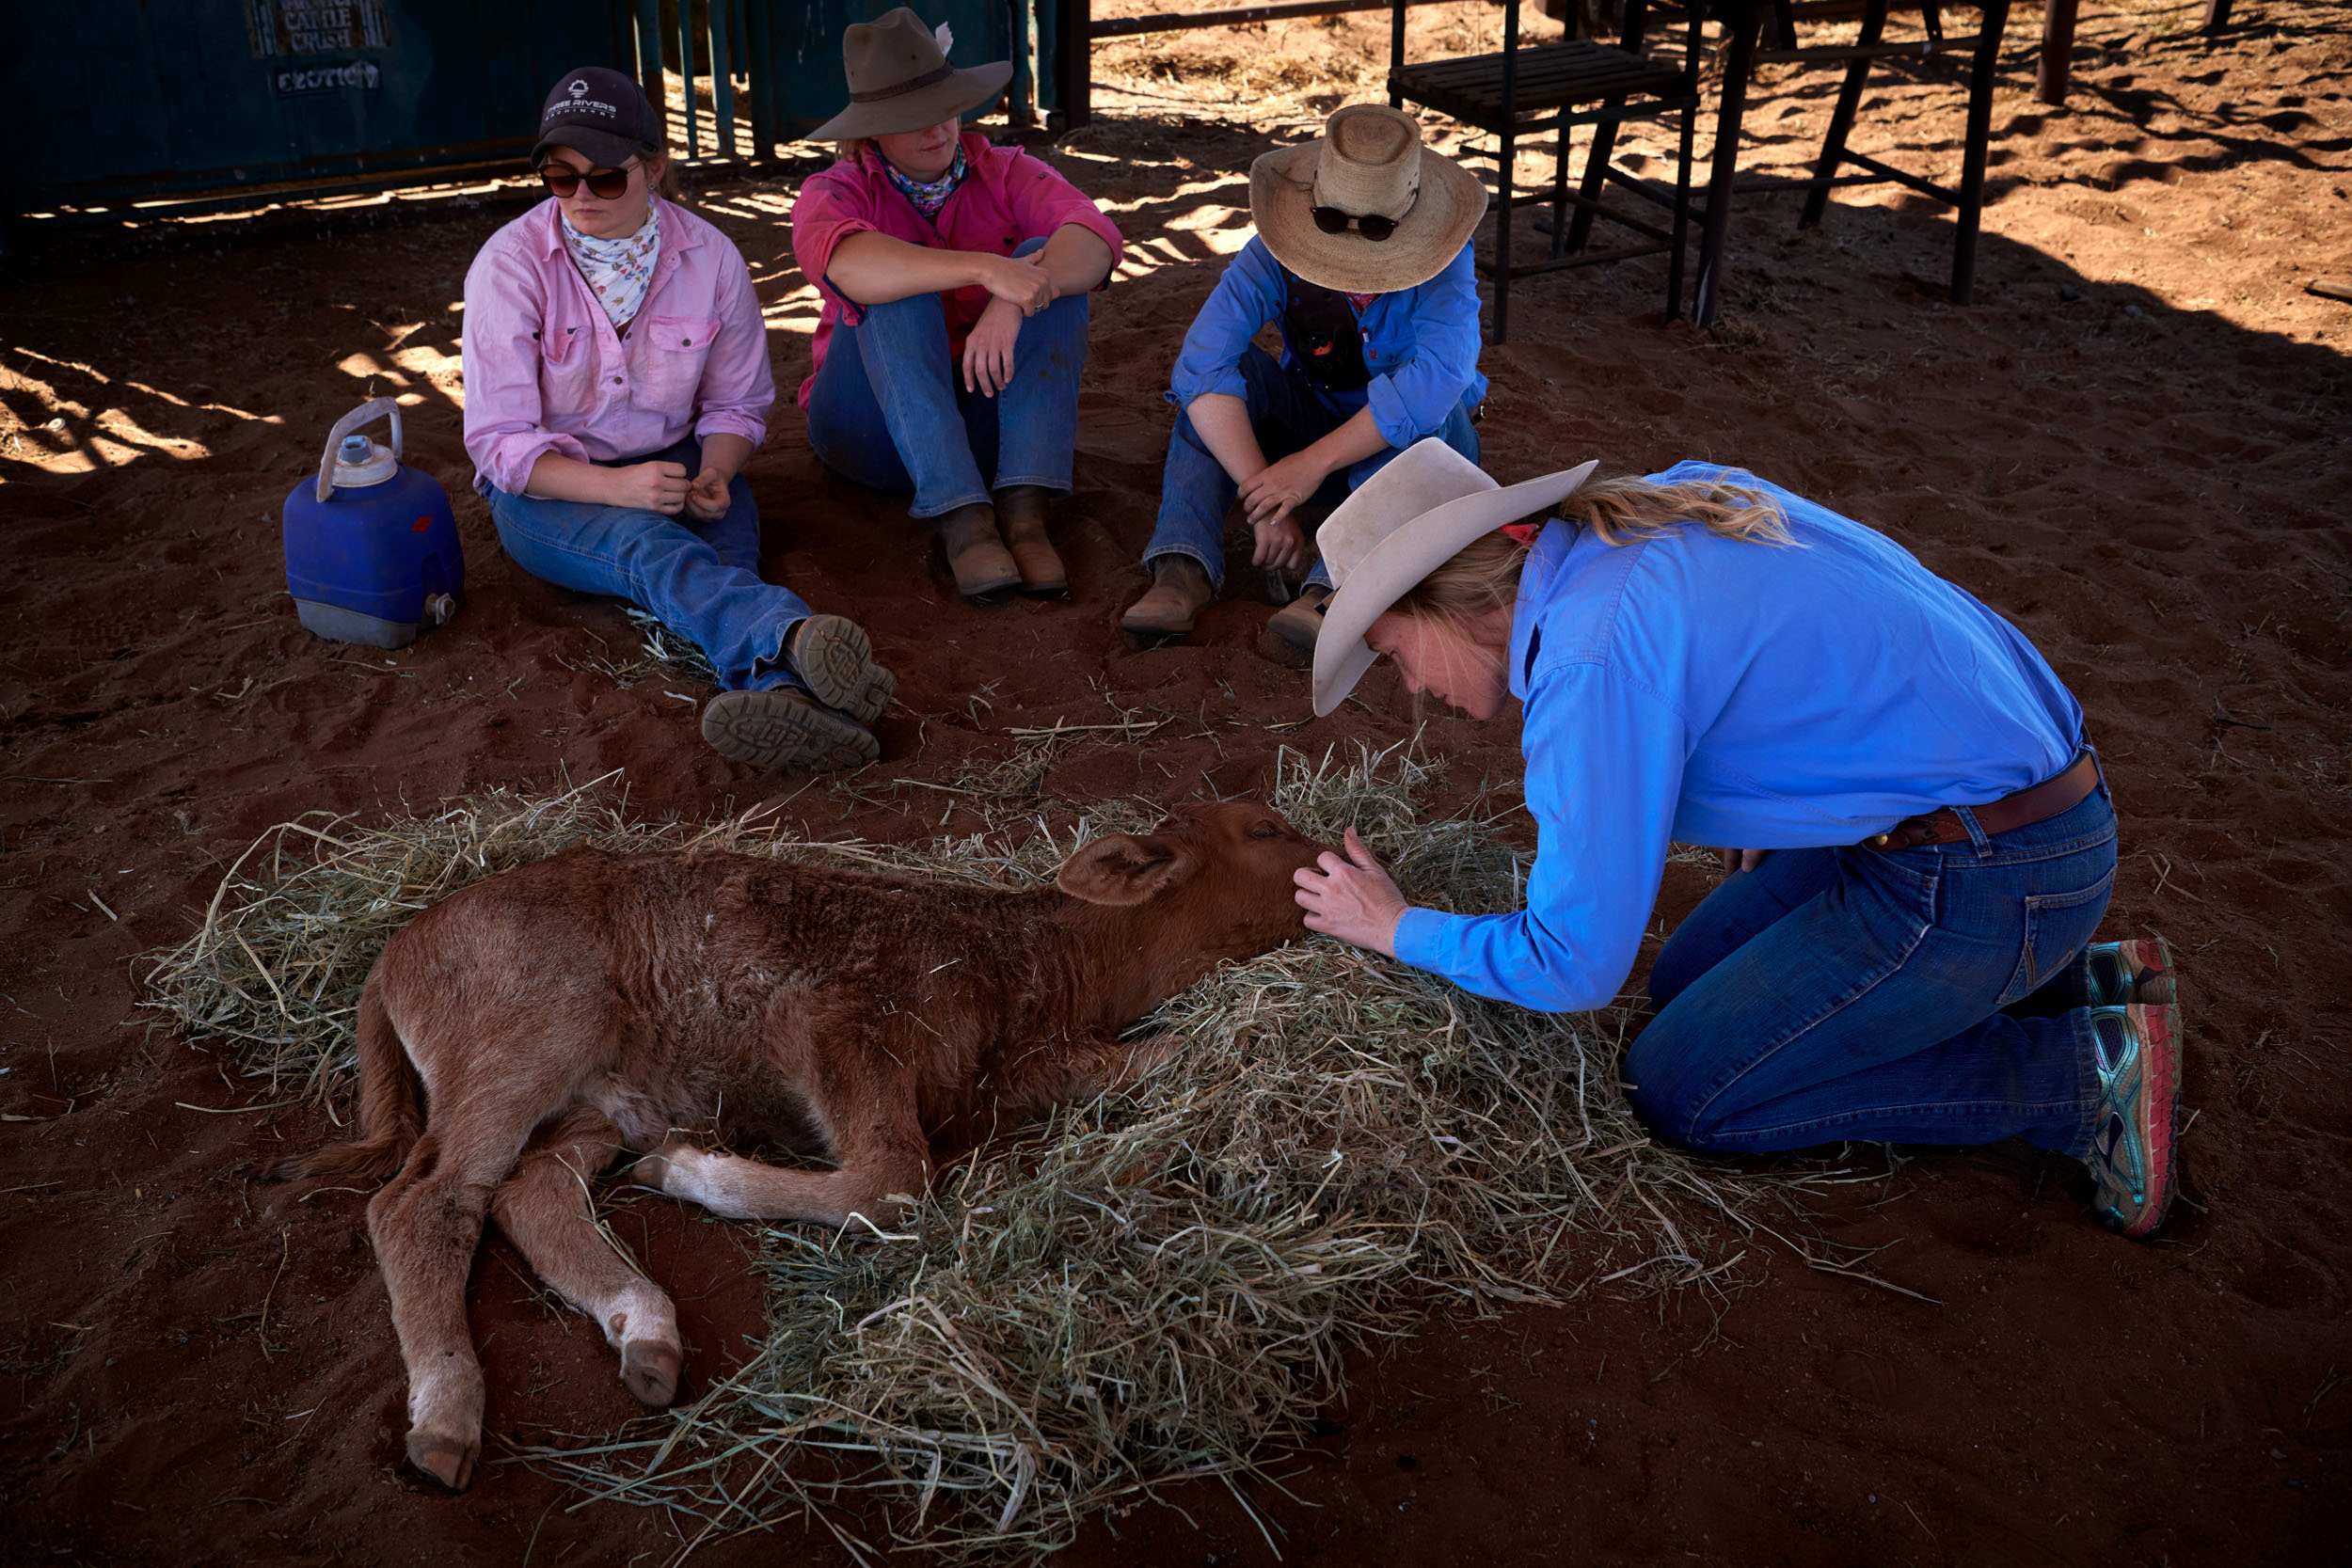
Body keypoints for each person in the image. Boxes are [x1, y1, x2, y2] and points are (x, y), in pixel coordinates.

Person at [1289, 441, 2185, 1239]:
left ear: (1444, 599)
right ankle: (2079, 979)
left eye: (1393, 648)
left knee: (1688, 1092)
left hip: (1990, 869)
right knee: (1683, 986)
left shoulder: (1588, 661)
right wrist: (1775, 807)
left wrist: (1394, 925)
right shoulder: (1655, 507)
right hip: (2008, 817)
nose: (1407, 683)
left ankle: (2081, 1078)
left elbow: (1573, 964)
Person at [462, 67, 894, 773]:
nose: (581, 197)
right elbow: (500, 444)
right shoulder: (508, 267)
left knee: (718, 561)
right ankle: (796, 643)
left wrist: (719, 470)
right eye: (560, 178)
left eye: (604, 178)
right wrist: (621, 489)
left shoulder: (712, 257)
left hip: (682, 464)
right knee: (652, 550)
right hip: (548, 494)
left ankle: (783, 690)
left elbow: (736, 404)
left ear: (654, 168)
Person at [1120, 104, 1488, 657]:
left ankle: (1330, 589)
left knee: (1439, 426)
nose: (1351, 259)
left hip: (1402, 448)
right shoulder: (1272, 251)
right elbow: (1202, 363)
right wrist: (1270, 497)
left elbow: (1434, 383)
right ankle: (1182, 567)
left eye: (1376, 232)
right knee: (1228, 381)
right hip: (1309, 418)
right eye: (1332, 227)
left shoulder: (1447, 262)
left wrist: (1307, 467)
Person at [790, 8, 1121, 603]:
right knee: (894, 284)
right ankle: (963, 519)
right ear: (870, 131)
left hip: (982, 421)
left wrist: (1012, 300)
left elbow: (1094, 242)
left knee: (1048, 262)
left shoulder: (1007, 169)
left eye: (944, 108)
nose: (935, 130)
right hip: (870, 433)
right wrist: (985, 269)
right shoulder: (833, 190)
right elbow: (847, 265)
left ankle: (1024, 510)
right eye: (909, 119)